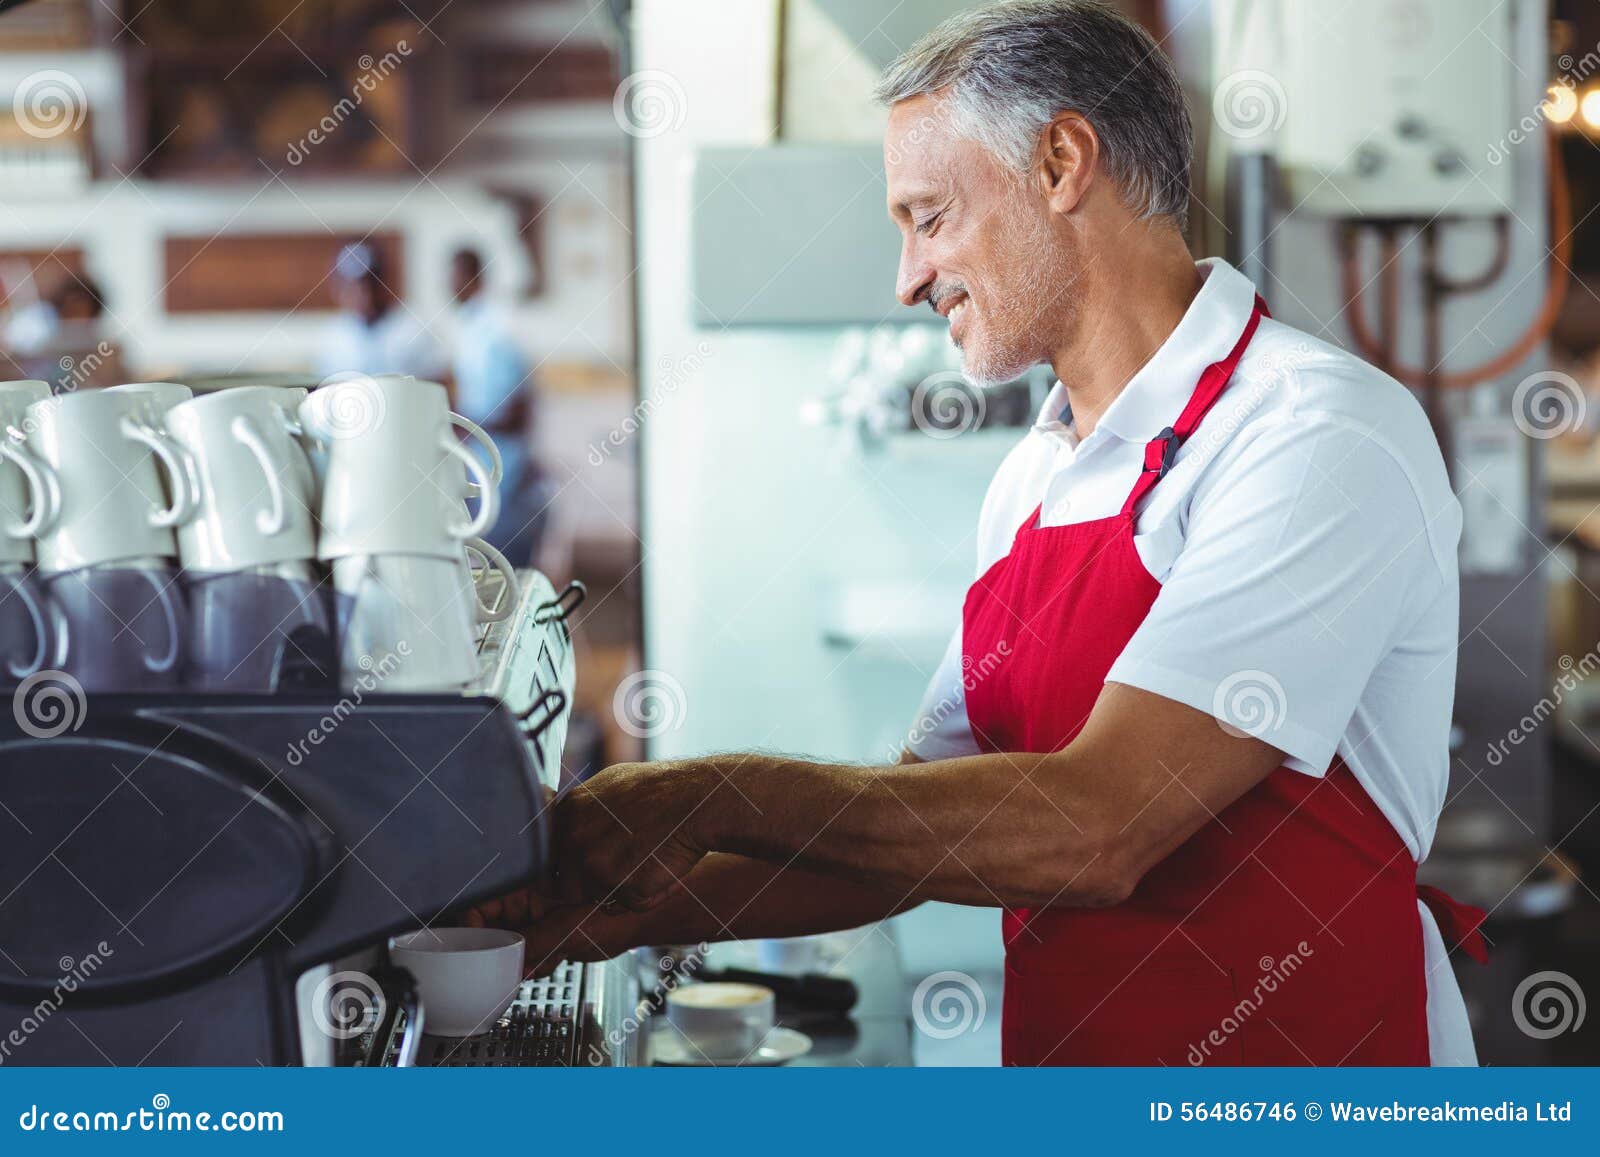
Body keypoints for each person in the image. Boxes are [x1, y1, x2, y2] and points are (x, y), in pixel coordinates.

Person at [472, 0, 1484, 1066]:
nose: (906, 278)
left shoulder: (1313, 435)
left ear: (1059, 162)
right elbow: (895, 840)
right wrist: (599, 915)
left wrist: (691, 793)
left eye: (929, 216)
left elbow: (1103, 824)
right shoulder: (1033, 478)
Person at [448, 247, 545, 564]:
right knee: (483, 553)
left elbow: (520, 411)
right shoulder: (468, 327)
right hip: (478, 460)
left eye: (458, 276)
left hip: (506, 462)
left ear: (476, 277)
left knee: (507, 556)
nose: (452, 284)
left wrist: (466, 424)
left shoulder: (499, 329)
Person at [315, 243, 443, 382]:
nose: (359, 293)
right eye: (349, 285)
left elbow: (440, 383)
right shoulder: (334, 337)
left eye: (368, 284)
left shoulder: (414, 329)